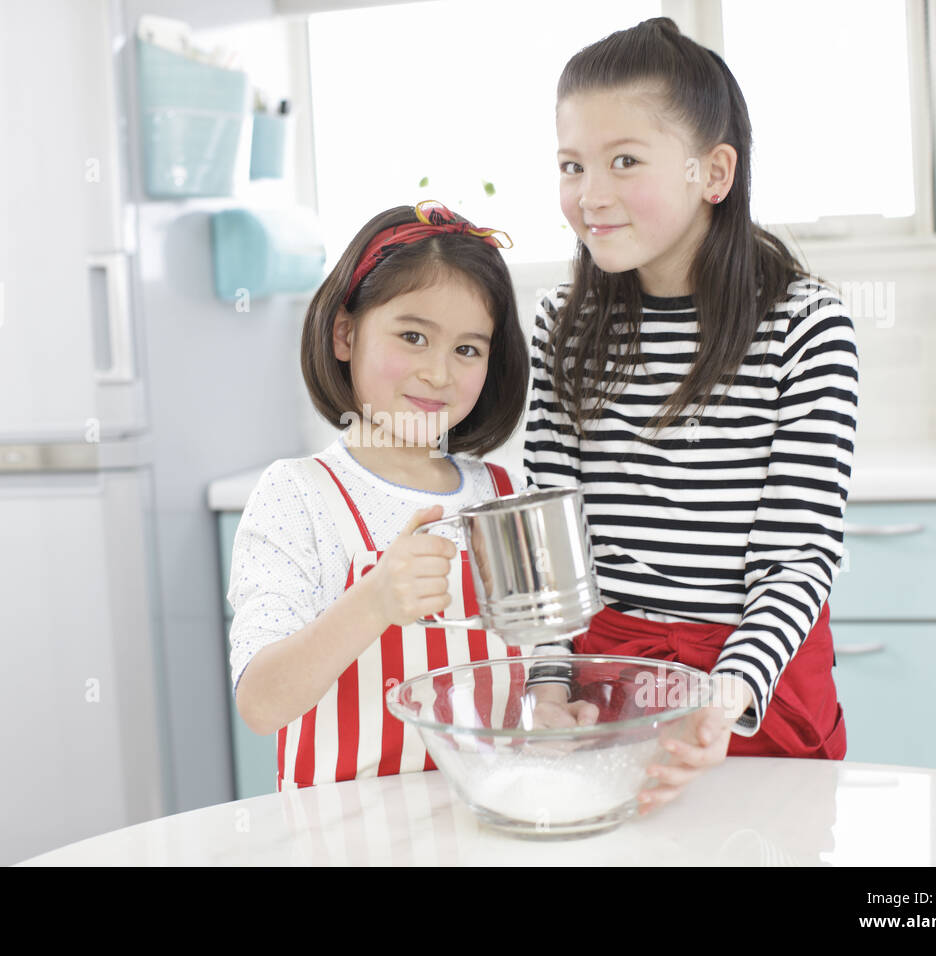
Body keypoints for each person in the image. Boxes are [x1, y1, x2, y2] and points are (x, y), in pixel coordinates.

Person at [524, 18, 859, 814]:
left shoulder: (804, 324)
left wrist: (726, 696)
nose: (589, 194)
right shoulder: (559, 327)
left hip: (753, 690)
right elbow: (550, 542)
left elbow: (797, 557)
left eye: (624, 161)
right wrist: (546, 683)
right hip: (605, 686)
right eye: (572, 165)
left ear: (713, 172)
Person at [228, 200, 530, 791]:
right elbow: (261, 704)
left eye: (467, 349)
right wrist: (373, 603)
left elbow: (542, 660)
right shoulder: (298, 496)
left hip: (488, 829)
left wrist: (551, 698)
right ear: (345, 333)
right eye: (413, 336)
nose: (439, 373)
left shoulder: (504, 494)